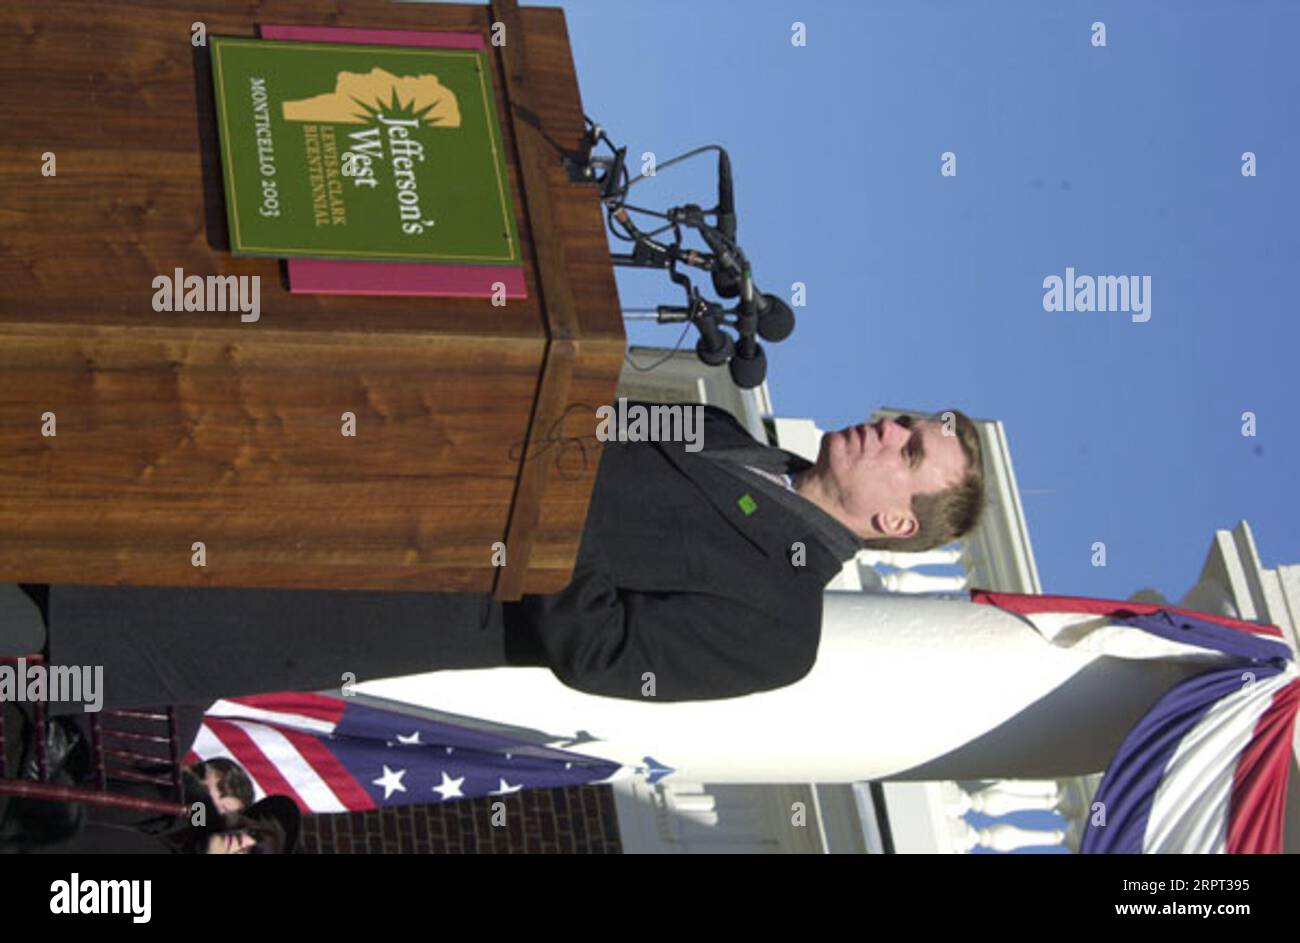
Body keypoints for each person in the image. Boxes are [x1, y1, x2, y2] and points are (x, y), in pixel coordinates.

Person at [3, 401, 985, 712]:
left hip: (358, 595)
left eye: (910, 453)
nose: (886, 427)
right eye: (904, 419)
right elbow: (564, 410)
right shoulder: (716, 425)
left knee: (58, 614)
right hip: (328, 473)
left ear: (900, 525)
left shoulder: (780, 631)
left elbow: (601, 653)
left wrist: (552, 518)